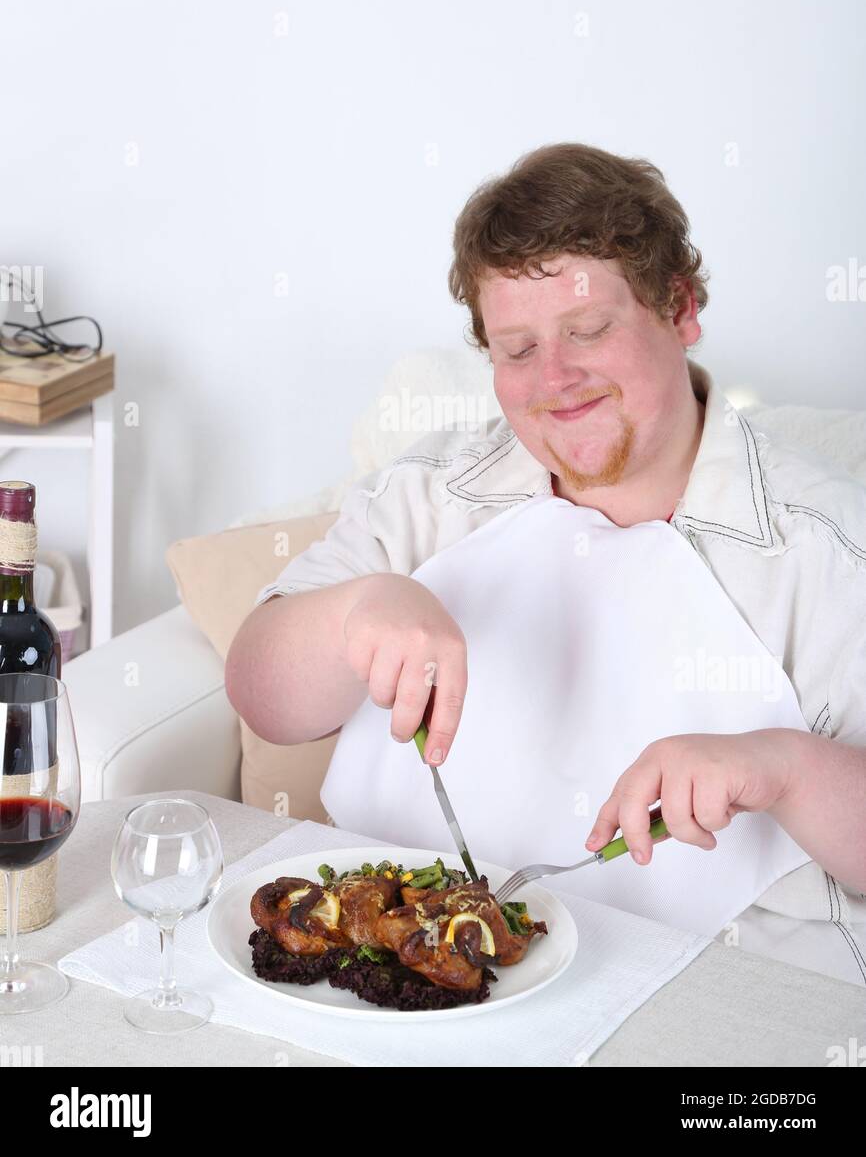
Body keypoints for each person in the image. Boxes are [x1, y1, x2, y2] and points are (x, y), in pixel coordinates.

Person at [226, 142, 866, 984]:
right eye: (517, 349)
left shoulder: (826, 546)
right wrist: (356, 610)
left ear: (680, 308)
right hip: (408, 978)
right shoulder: (434, 495)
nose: (555, 379)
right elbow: (263, 698)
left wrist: (784, 768)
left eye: (589, 330)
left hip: (720, 991)